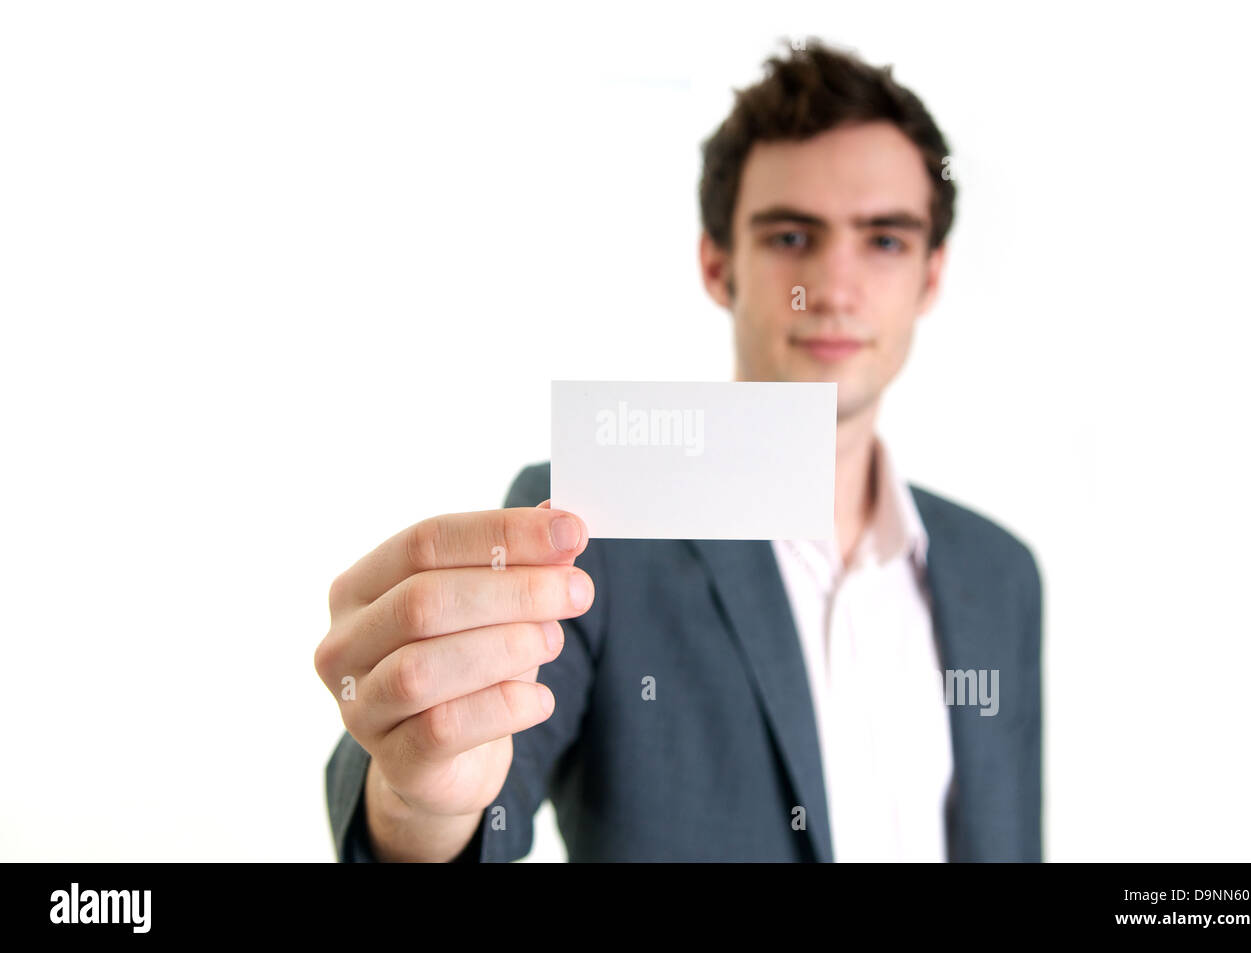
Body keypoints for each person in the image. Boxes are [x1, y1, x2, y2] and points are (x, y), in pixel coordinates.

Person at [315, 39, 1042, 862]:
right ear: (717, 264)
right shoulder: (594, 521)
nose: (836, 288)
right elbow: (474, 801)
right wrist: (420, 800)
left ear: (932, 274)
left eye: (884, 240)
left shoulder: (1000, 576)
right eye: (792, 236)